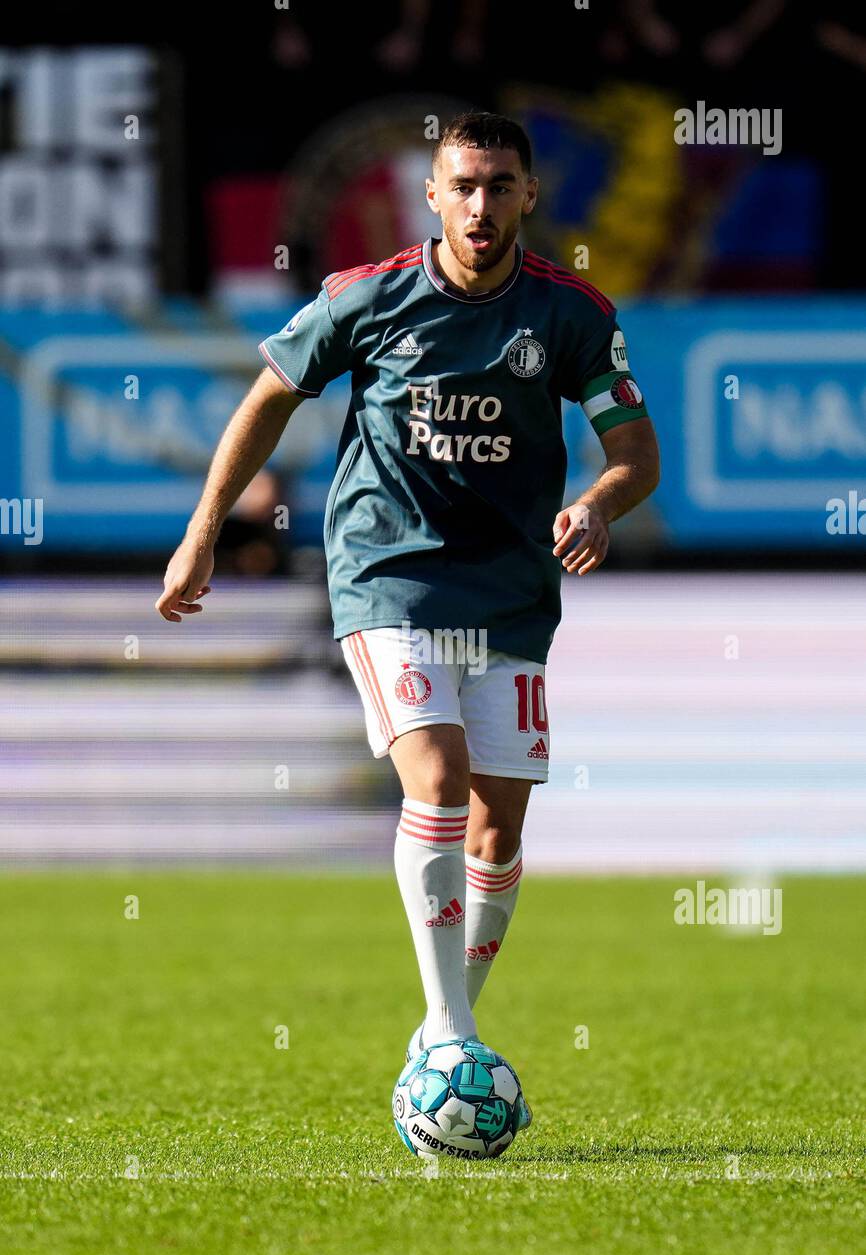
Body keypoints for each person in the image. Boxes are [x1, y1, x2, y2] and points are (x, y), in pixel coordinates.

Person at [156, 112, 660, 1117]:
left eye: (499, 185)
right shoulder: (367, 297)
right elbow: (265, 397)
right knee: (434, 775)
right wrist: (203, 531)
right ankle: (453, 1040)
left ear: (526, 197)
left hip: (508, 589)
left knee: (497, 827)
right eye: (462, 185)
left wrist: (598, 505)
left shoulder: (568, 315)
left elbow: (634, 453)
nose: (480, 205)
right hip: (387, 572)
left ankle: (439, 1040)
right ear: (431, 196)